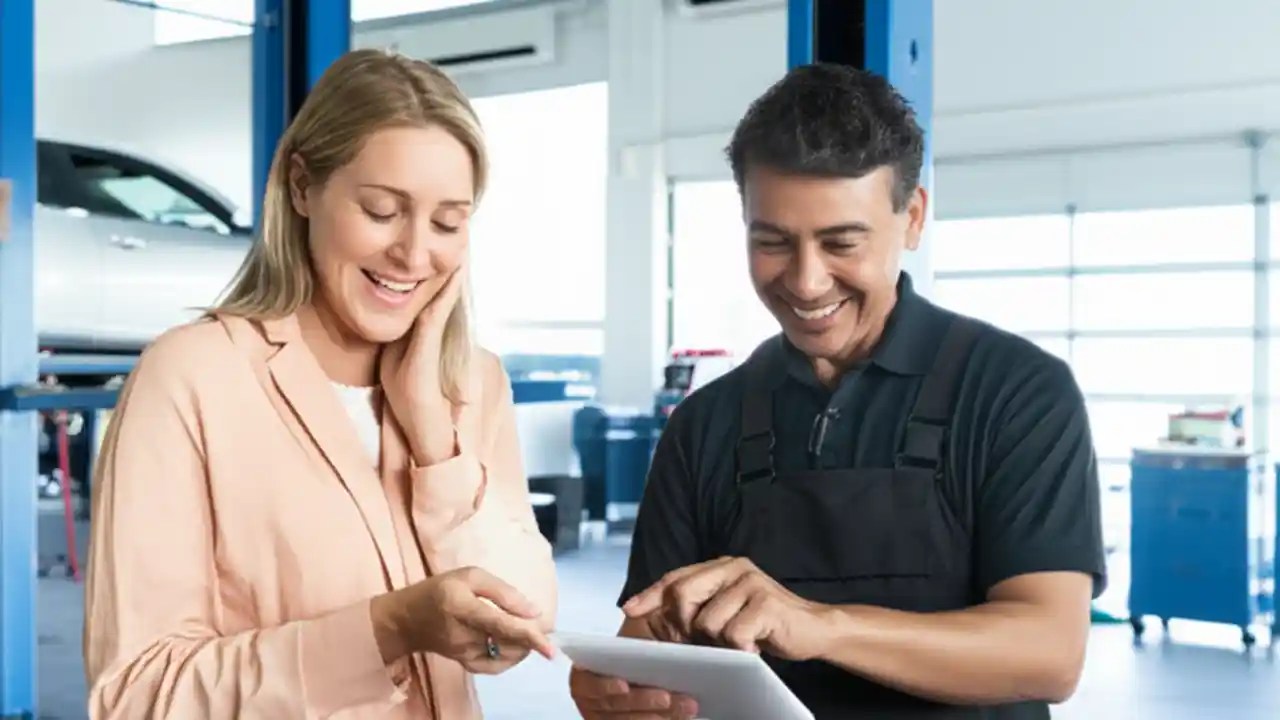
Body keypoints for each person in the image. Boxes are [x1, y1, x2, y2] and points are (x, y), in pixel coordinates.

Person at [569, 63, 1106, 719]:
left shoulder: (1016, 393)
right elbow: (651, 637)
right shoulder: (705, 423)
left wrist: (822, 626)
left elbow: (1049, 653)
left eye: (841, 243)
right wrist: (622, 691)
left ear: (912, 217)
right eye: (772, 242)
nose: (806, 281)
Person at [82, 49, 558, 719]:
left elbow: (522, 619)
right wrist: (387, 629)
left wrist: (433, 439)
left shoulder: (473, 383)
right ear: (302, 187)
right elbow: (136, 696)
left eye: (448, 222)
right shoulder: (191, 377)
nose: (414, 254)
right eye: (382, 211)